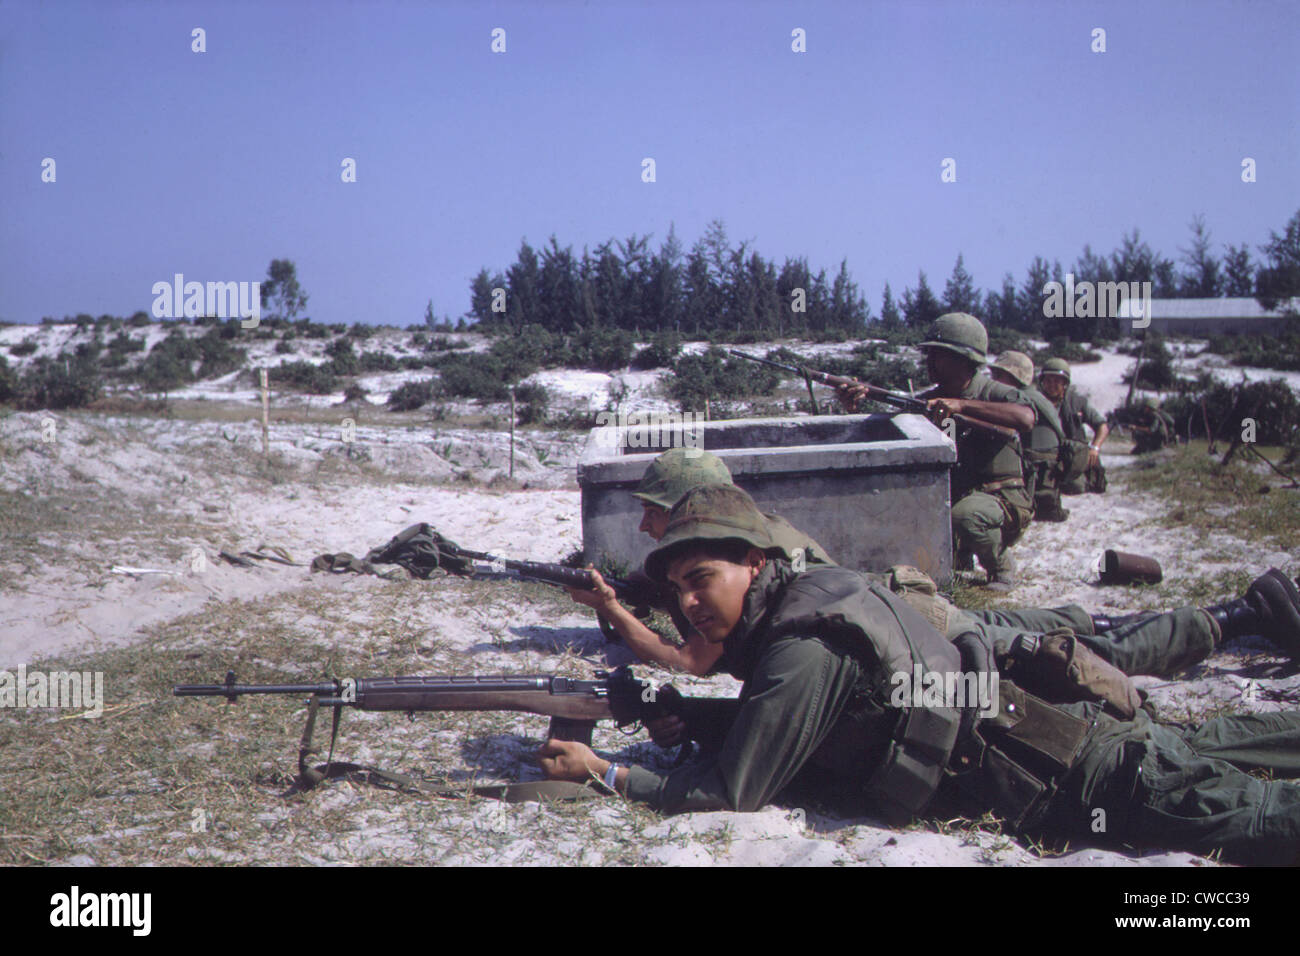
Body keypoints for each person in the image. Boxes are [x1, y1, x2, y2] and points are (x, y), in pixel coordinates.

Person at [539, 484, 1300, 864]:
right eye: (676, 590)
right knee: (1228, 746)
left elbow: (731, 791)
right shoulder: (815, 600)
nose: (689, 602)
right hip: (1084, 738)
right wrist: (691, 718)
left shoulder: (803, 645)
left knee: (1265, 821)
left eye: (702, 578)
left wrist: (606, 772)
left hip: (1090, 781)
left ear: (754, 564)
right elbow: (810, 723)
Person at [569, 447, 1300, 684]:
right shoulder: (746, 543)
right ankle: (1184, 618)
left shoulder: (736, 562)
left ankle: (1238, 617)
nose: (643, 522)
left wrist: (614, 612)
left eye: (655, 508)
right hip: (912, 610)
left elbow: (692, 661)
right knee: (1061, 626)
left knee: (1081, 658)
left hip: (924, 632)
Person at [838, 313, 1036, 592]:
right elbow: (892, 426)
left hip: (1001, 499)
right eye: (929, 354)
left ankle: (1001, 565)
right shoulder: (930, 400)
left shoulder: (996, 392)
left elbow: (1026, 419)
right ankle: (958, 559)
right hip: (954, 496)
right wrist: (857, 403)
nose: (929, 362)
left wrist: (963, 407)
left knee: (966, 517)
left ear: (964, 359)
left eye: (938, 355)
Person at [988, 350, 1072, 522]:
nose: (993, 379)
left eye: (998, 374)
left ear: (1015, 376)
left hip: (1037, 465)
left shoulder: (1020, 397)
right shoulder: (1034, 395)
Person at [1039, 358, 1109, 494]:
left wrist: (1094, 448)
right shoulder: (1036, 400)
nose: (1051, 385)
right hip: (1044, 455)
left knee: (1076, 488)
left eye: (1057, 381)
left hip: (1071, 456)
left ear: (1065, 383)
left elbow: (1102, 426)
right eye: (1048, 380)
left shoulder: (1077, 402)